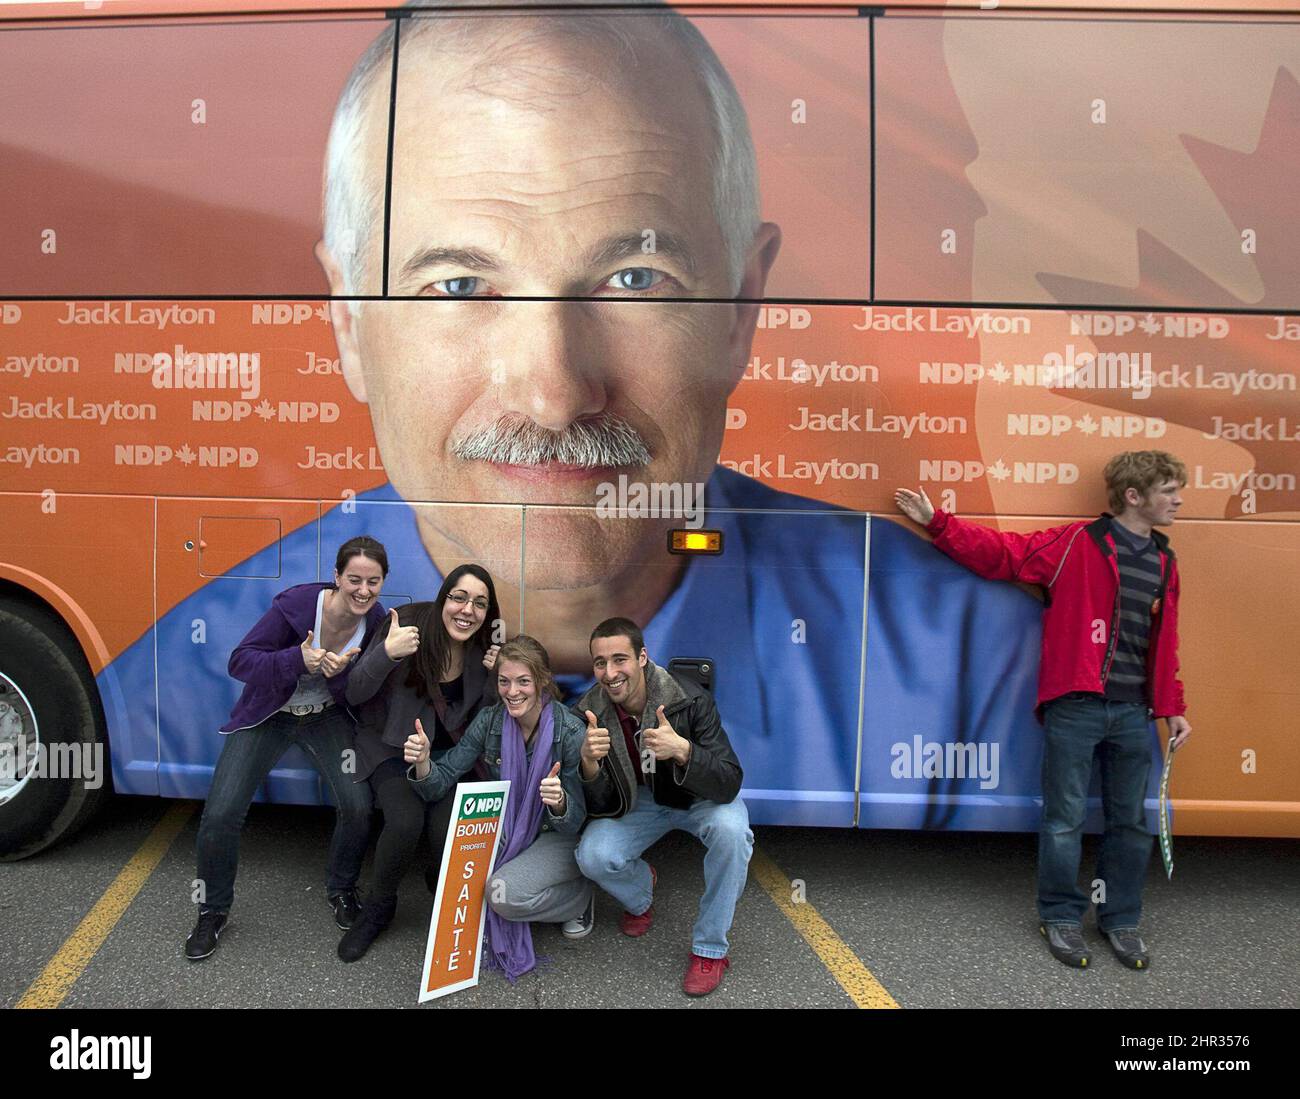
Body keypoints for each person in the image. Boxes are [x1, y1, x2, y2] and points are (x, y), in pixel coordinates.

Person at [894, 451, 1193, 971]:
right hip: (1074, 707)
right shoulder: (1079, 543)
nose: (1178, 500)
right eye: (1169, 491)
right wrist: (938, 523)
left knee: (1130, 823)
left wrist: (1172, 708)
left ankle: (1120, 921)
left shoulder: (1165, 561)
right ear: (1133, 495)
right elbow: (1004, 555)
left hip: (1132, 714)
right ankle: (1059, 916)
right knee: (1064, 820)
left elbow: (1164, 645)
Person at [185, 536, 389, 961]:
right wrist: (298, 660)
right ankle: (212, 909)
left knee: (357, 805)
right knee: (222, 811)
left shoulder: (378, 622)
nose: (363, 591)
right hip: (269, 714)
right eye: (354, 579)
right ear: (336, 577)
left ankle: (341, 888)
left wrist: (345, 676)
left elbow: (364, 690)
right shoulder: (297, 606)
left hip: (327, 717)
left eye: (373, 582)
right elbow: (240, 661)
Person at [573, 617, 750, 997]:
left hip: (697, 798)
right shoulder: (589, 711)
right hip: (643, 803)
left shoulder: (690, 700)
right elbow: (599, 805)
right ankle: (641, 891)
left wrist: (684, 751)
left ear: (642, 657)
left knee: (733, 833)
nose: (610, 672)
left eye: (619, 659)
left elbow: (729, 780)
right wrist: (588, 764)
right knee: (593, 855)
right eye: (600, 662)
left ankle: (710, 950)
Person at [336, 564, 502, 962]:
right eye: (459, 597)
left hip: (447, 757)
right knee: (406, 820)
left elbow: (489, 718)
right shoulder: (406, 627)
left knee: (446, 829)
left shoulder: (485, 650)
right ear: (444, 597)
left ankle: (440, 883)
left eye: (480, 603)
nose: (467, 610)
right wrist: (386, 654)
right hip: (392, 748)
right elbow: (354, 693)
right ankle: (379, 908)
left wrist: (498, 676)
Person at [405, 634, 590, 980]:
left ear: (542, 681)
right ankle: (536, 882)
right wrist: (424, 762)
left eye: (523, 681)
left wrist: (560, 800)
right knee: (463, 888)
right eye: (504, 681)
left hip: (554, 835)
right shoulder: (491, 721)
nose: (512, 691)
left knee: (501, 897)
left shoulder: (569, 731)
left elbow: (575, 823)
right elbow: (440, 781)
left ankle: (578, 899)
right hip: (509, 829)